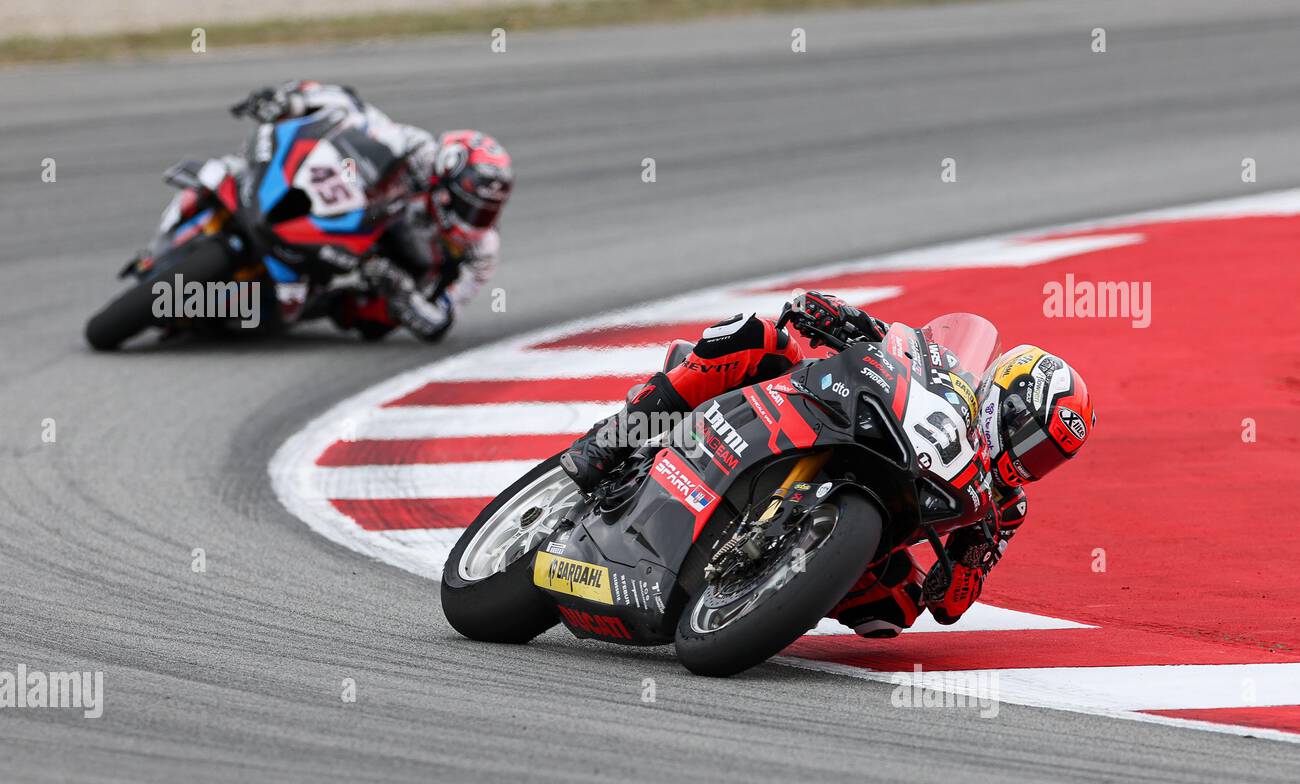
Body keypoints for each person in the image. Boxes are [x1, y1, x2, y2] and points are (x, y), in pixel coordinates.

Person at [559, 291, 1096, 635]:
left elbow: (948, 607)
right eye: (1030, 439)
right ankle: (610, 440)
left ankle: (769, 588)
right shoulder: (947, 376)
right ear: (1005, 399)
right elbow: (890, 342)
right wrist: (837, 313)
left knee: (897, 605)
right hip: (817, 414)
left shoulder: (1003, 507)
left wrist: (973, 559)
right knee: (754, 336)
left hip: (878, 505)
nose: (1029, 460)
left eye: (1046, 458)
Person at [232, 81, 512, 341]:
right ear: (445, 186)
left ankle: (322, 304)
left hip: (393, 264)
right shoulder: (420, 151)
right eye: (469, 208)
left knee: (376, 321)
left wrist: (403, 293)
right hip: (358, 212)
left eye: (486, 213)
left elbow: (439, 322)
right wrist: (292, 100)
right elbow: (355, 109)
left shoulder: (482, 253)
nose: (475, 222)